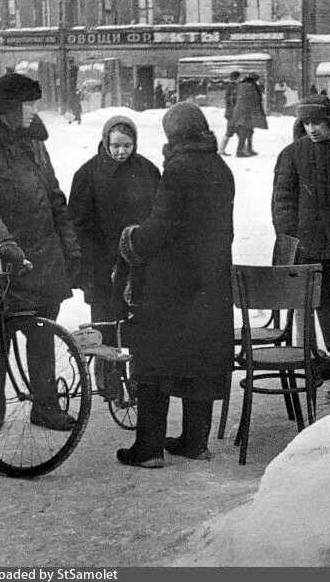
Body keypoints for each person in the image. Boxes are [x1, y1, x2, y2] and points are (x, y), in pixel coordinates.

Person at [0, 73, 81, 433]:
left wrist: (70, 248)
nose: (34, 112)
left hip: (43, 258)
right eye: (29, 105)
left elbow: (55, 197)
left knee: (42, 333)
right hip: (4, 260)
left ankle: (45, 405)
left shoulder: (33, 142)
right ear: (10, 108)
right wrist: (3, 242)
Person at [116, 103, 234, 467]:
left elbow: (161, 227)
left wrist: (132, 239)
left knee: (154, 362)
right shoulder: (220, 167)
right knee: (199, 361)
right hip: (210, 283)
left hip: (172, 285)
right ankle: (194, 442)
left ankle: (148, 448)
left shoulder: (179, 169)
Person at [272, 95, 330, 396]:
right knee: (323, 303)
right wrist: (290, 237)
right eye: (306, 123)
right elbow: (283, 202)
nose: (311, 129)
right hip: (310, 245)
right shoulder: (292, 154)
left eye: (318, 123)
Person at [69, 115, 160, 396]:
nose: (122, 151)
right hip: (101, 263)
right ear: (105, 141)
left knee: (137, 323)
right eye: (116, 145)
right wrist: (85, 266)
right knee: (106, 322)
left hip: (138, 261)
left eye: (128, 145)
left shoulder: (147, 171)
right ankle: (108, 382)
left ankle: (139, 381)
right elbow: (78, 223)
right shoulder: (88, 174)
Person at [231, 74, 267, 157]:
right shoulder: (251, 86)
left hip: (239, 111)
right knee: (246, 132)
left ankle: (248, 149)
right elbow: (255, 100)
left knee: (248, 131)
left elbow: (233, 98)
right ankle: (240, 151)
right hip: (248, 112)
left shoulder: (239, 86)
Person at [218, 70, 240, 156]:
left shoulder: (231, 86)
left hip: (232, 112)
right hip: (232, 113)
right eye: (239, 77)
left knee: (240, 130)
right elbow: (232, 99)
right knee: (230, 131)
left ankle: (243, 148)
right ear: (236, 78)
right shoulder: (232, 86)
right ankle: (221, 150)